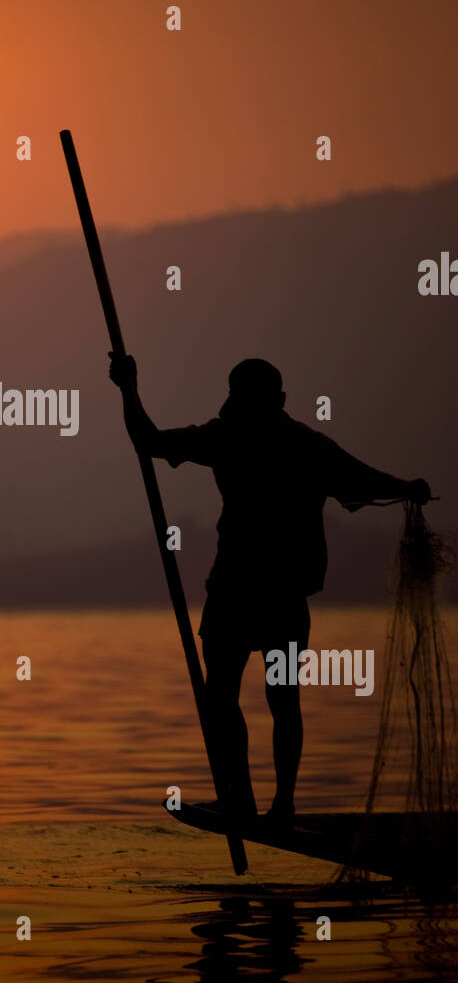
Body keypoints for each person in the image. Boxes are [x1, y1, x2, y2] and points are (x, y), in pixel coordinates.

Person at [109, 354, 430, 827]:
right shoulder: (283, 442)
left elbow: (148, 441)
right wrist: (406, 485)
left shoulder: (241, 437)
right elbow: (151, 443)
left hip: (250, 594)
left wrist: (128, 388)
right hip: (263, 596)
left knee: (232, 696)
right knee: (270, 697)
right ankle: (271, 802)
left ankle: (258, 801)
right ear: (278, 399)